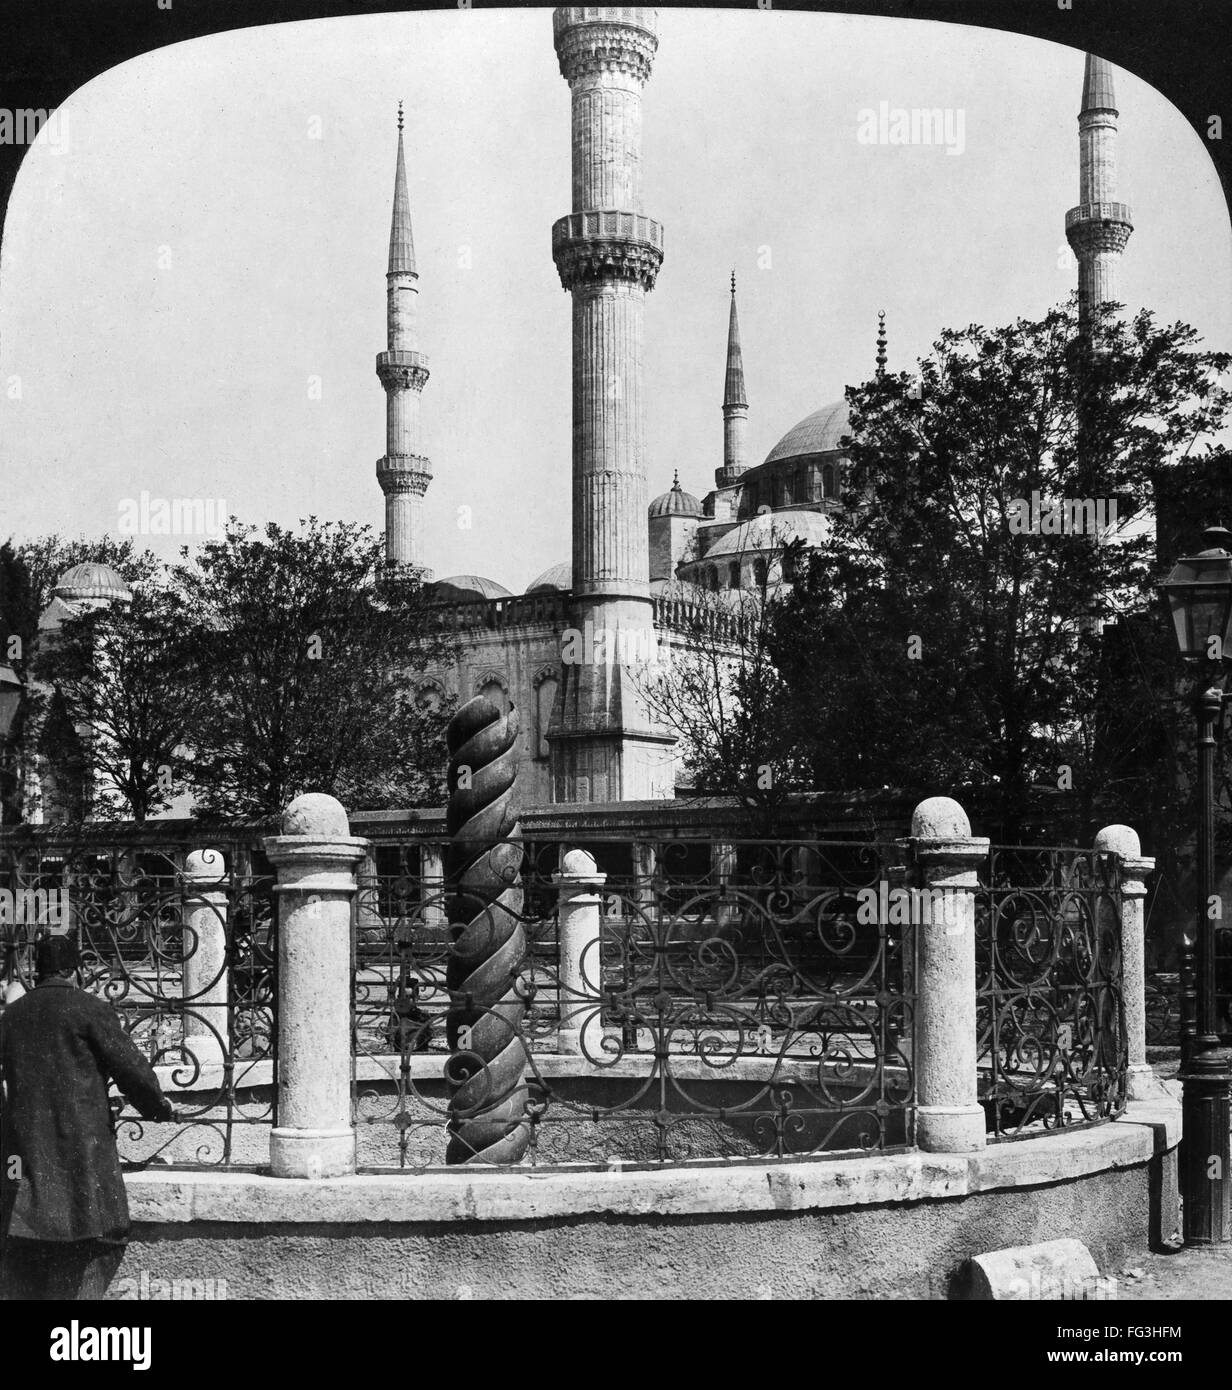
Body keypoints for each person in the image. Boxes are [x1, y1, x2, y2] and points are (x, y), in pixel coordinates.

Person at [0, 934, 175, 1300]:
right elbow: (131, 1070)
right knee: (99, 1233)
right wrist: (159, 1108)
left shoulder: (12, 1015)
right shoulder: (90, 1009)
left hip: (23, 1152)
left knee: (30, 1241)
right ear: (75, 971)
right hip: (83, 1145)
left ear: (37, 972)